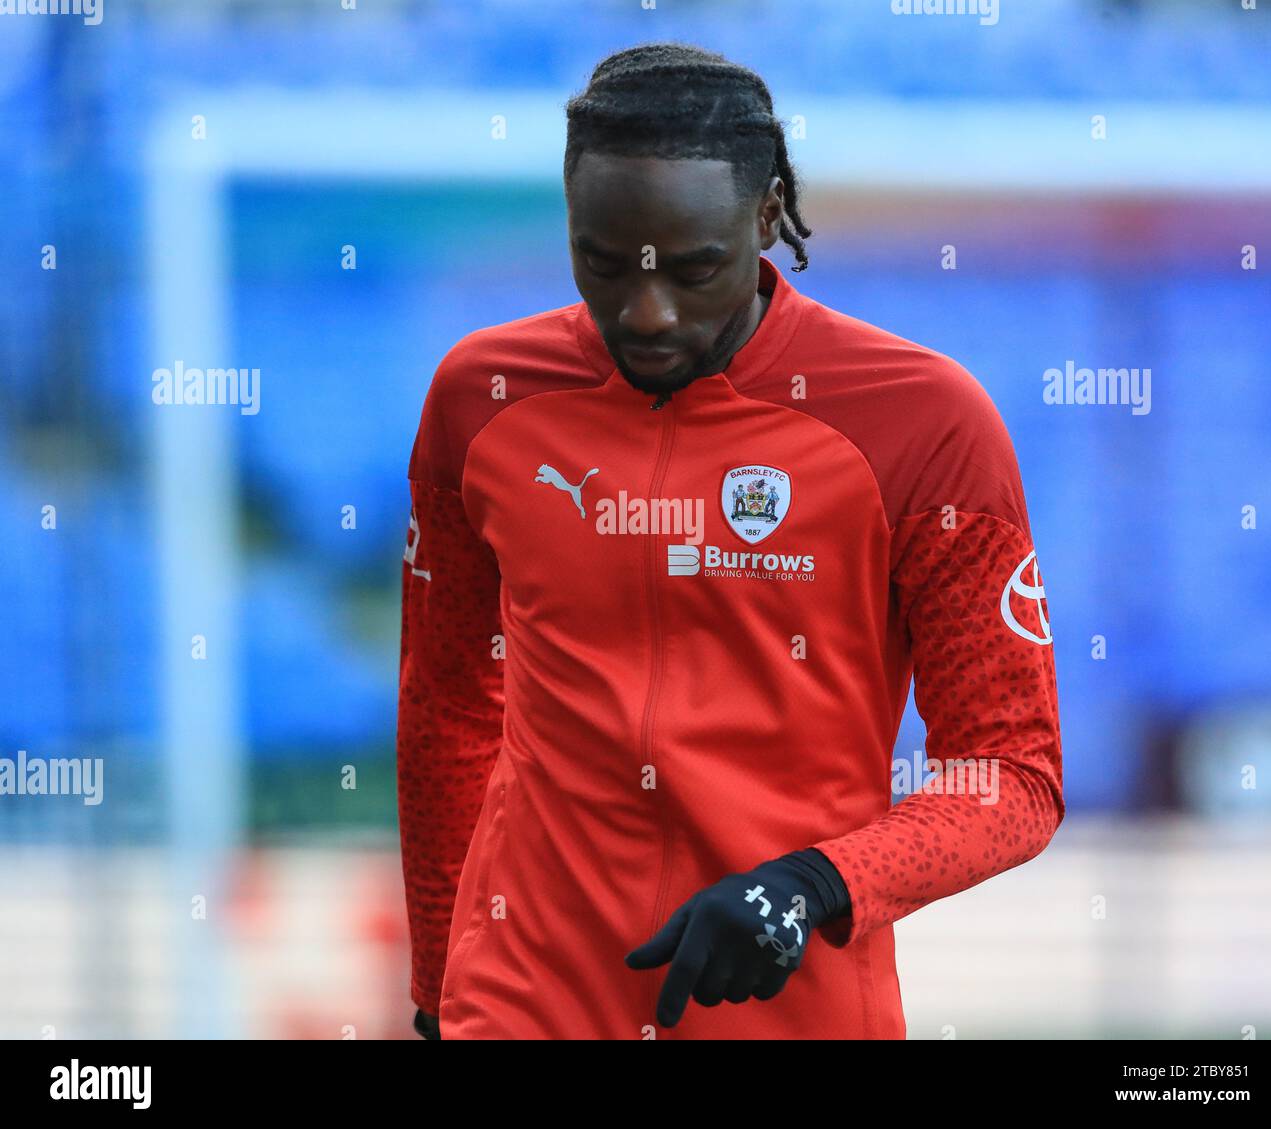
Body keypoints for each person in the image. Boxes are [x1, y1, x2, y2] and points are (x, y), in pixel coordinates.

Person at [398, 42, 1063, 1040]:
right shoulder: (482, 397)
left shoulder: (921, 420)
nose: (645, 311)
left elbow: (1010, 772)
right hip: (521, 1002)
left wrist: (817, 884)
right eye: (602, 264)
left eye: (694, 269)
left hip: (795, 1009)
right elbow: (448, 707)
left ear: (765, 219)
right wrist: (434, 992)